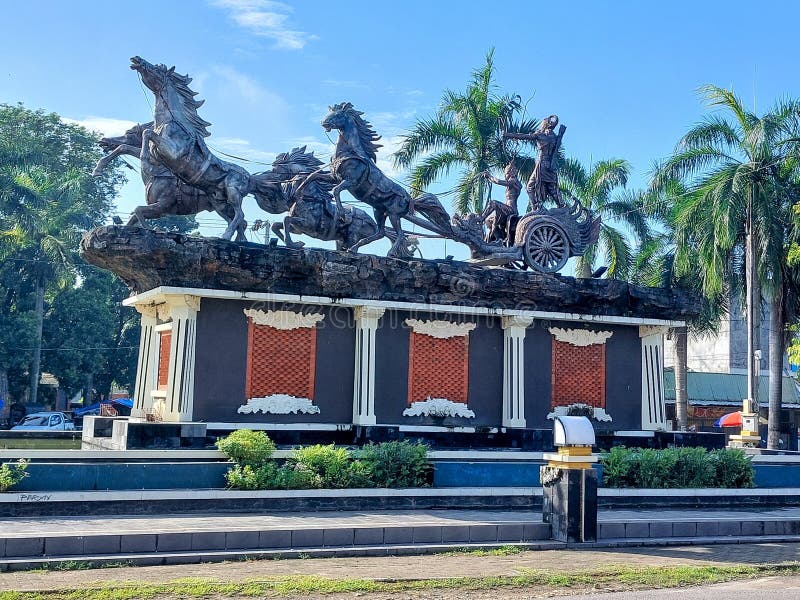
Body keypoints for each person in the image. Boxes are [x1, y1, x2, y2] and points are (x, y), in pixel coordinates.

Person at [503, 115, 565, 210]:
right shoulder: (555, 138)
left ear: (545, 125)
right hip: (551, 166)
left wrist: (508, 135)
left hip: (541, 165)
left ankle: (535, 207)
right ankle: (561, 206)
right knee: (552, 188)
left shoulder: (541, 135)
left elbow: (524, 136)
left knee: (530, 187)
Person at [478, 160, 522, 243]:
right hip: (506, 208)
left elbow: (498, 182)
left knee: (493, 203)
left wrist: (490, 176)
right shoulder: (512, 182)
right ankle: (498, 238)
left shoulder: (514, 181)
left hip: (511, 209)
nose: (506, 175)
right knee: (489, 221)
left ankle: (481, 218)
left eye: (507, 172)